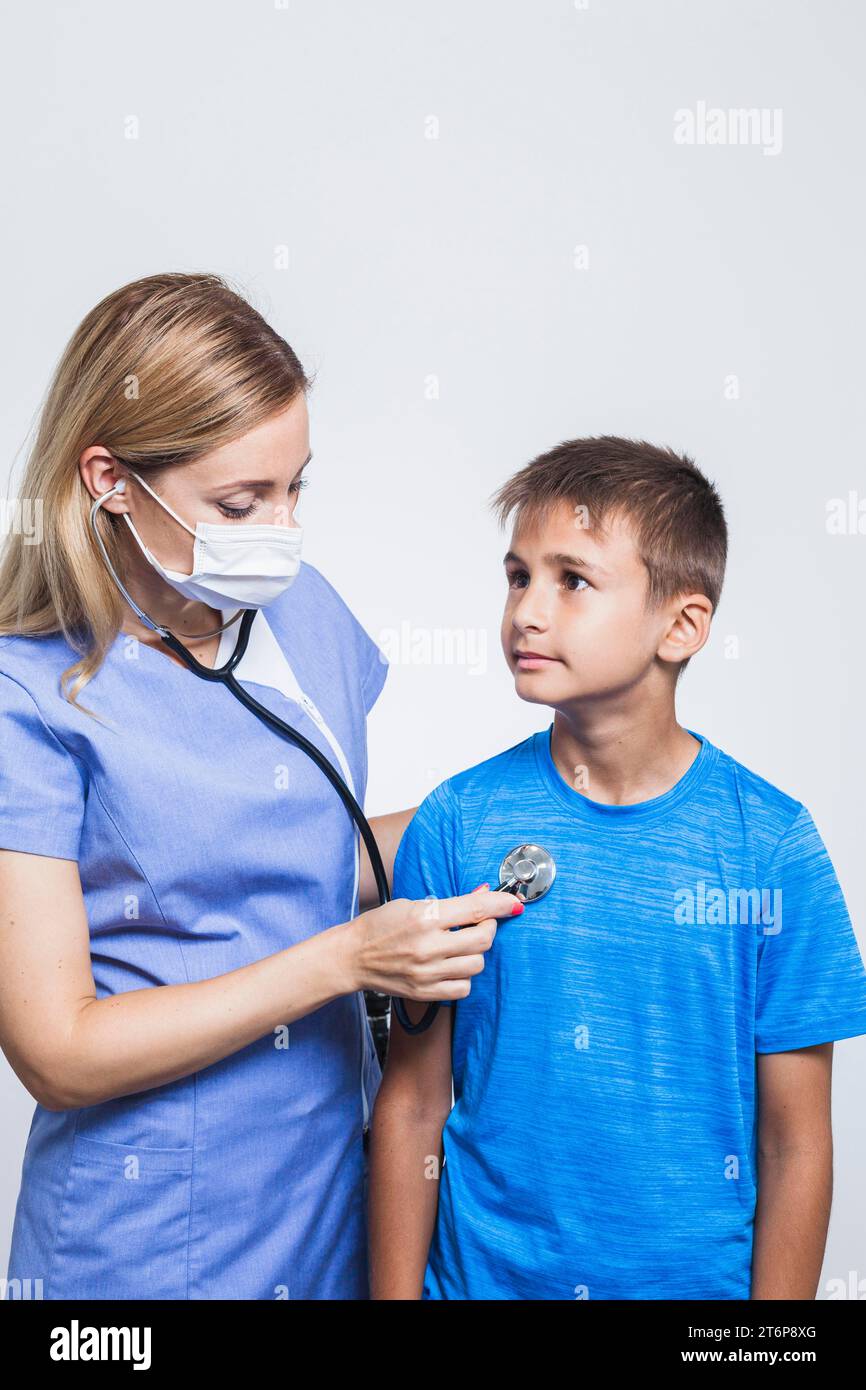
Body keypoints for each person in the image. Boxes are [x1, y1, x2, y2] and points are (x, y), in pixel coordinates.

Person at [0, 271, 516, 1300]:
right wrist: (341, 960)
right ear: (107, 477)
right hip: (146, 1231)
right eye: (241, 502)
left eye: (296, 487)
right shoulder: (28, 696)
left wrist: (505, 814)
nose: (279, 530)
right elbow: (56, 1049)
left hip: (327, 1196)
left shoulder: (302, 610)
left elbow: (302, 859)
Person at [368, 435, 866, 1300]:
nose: (526, 610)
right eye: (518, 576)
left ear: (682, 625)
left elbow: (796, 1145)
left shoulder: (773, 848)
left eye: (573, 580)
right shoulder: (456, 823)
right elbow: (413, 1103)